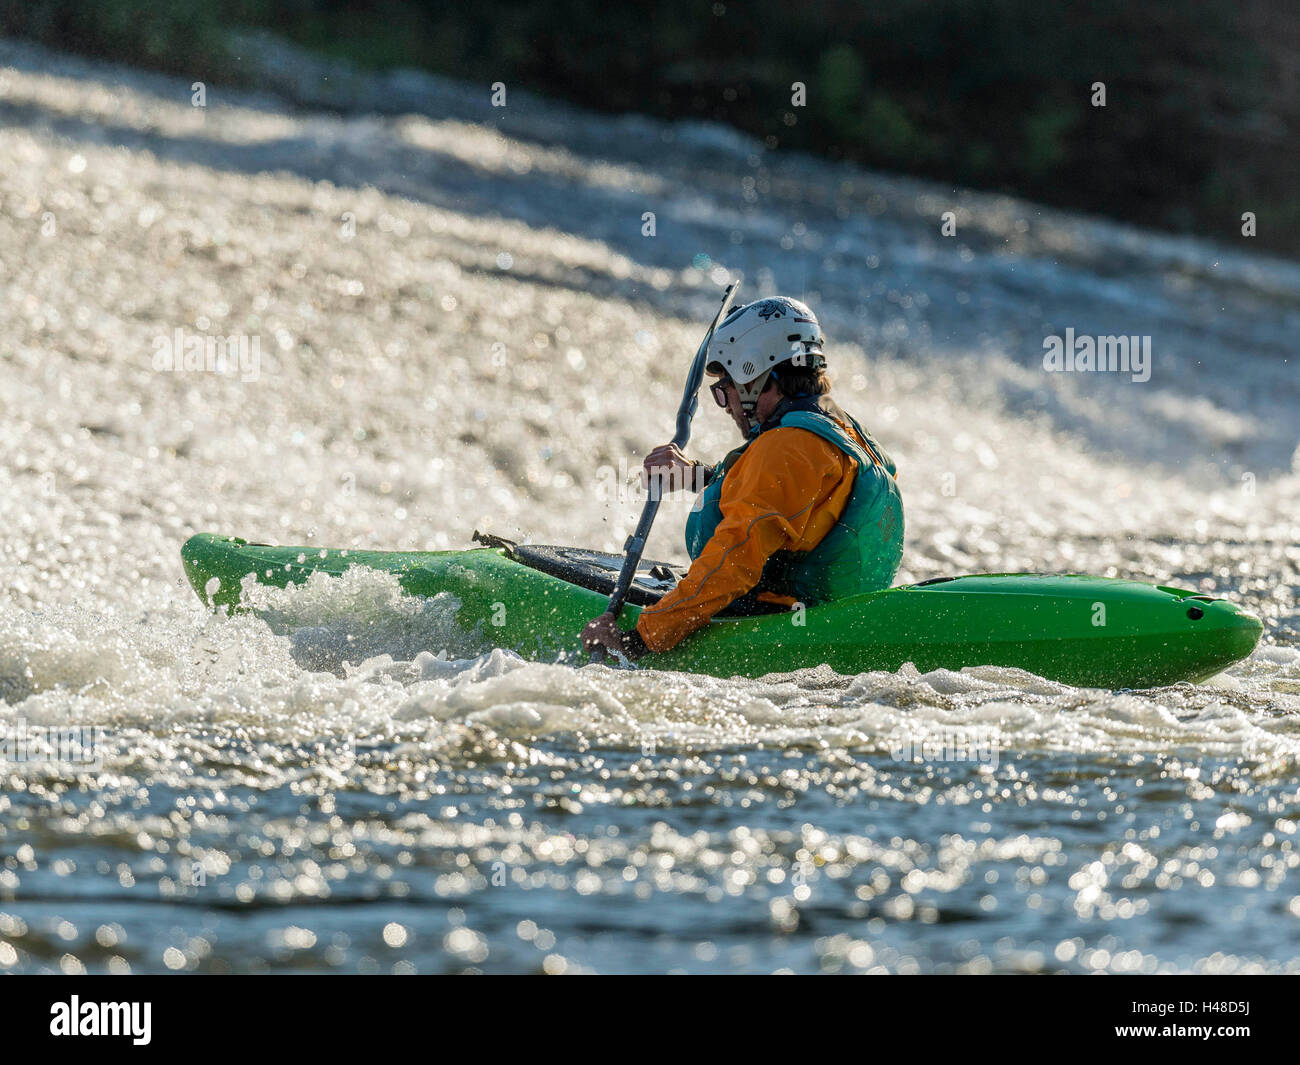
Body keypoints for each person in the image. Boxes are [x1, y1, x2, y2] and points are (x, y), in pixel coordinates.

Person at [581, 296, 903, 661]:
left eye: (725, 390)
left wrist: (636, 639)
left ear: (756, 378)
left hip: (777, 626)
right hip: (828, 615)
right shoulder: (839, 428)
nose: (726, 406)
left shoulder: (787, 447)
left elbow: (733, 563)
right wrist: (699, 476)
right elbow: (787, 498)